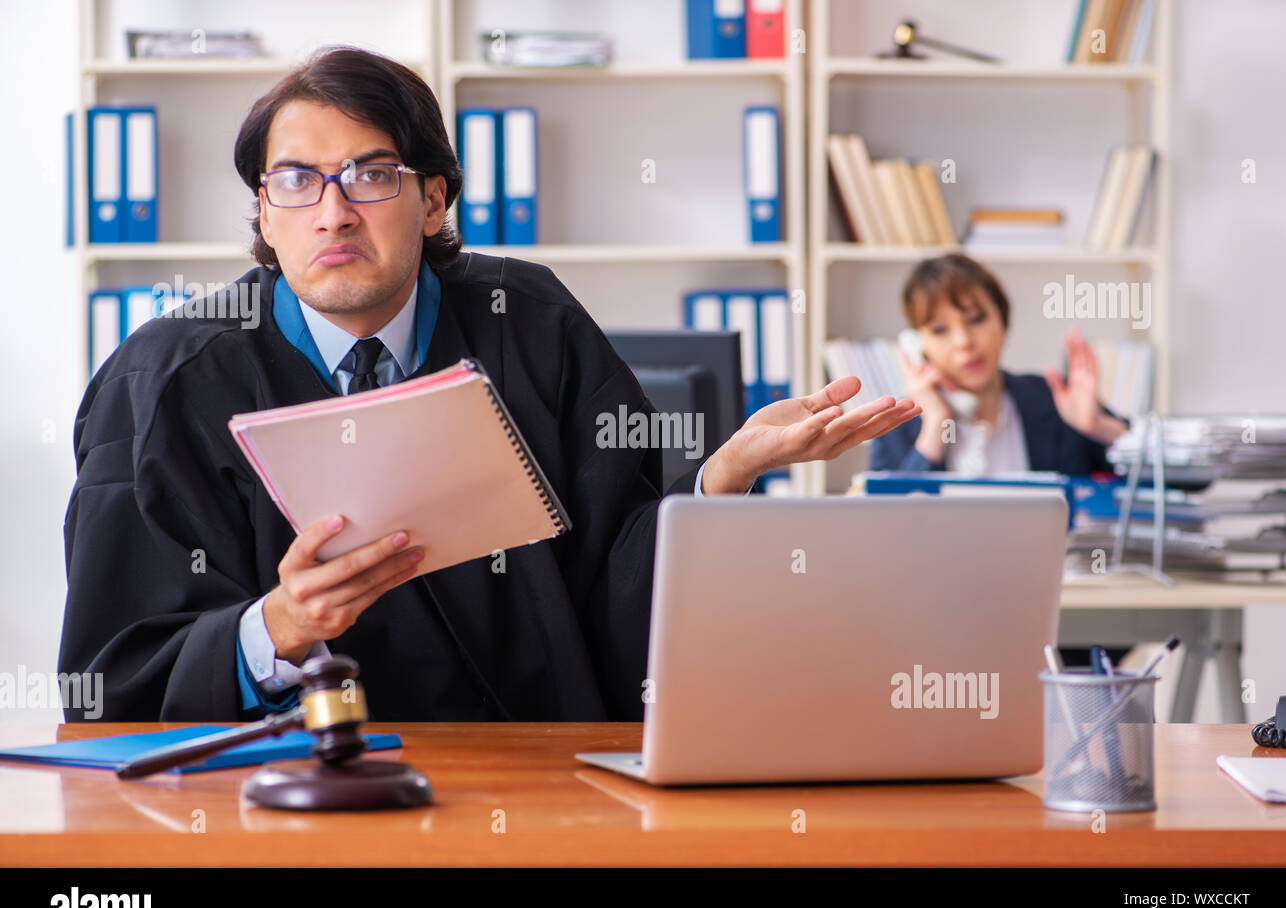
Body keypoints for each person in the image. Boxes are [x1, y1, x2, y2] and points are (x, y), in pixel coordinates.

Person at [58, 47, 919, 723]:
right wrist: (274, 631)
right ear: (263, 212)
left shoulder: (532, 323)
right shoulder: (160, 381)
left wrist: (722, 476)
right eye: (295, 180)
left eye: (371, 173)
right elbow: (111, 679)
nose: (333, 211)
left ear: (432, 201)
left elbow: (617, 579)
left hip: (536, 785)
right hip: (280, 805)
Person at [870, 253, 1129, 476]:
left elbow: (1158, 488)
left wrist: (1099, 427)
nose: (963, 342)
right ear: (918, 344)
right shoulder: (895, 425)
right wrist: (936, 425)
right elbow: (884, 524)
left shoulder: (1056, 402)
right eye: (939, 330)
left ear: (1002, 322)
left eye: (976, 319)